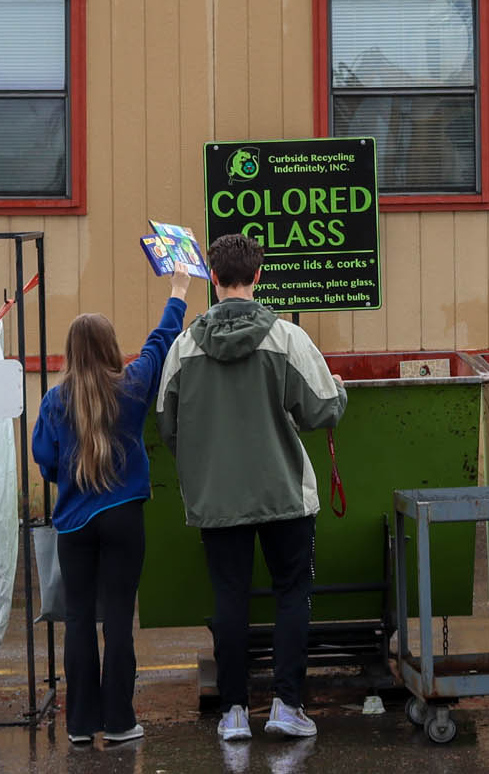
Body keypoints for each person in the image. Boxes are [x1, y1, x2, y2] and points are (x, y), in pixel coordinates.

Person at [155, 232, 347, 742]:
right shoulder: (286, 338)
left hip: (216, 497)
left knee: (229, 599)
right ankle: (287, 705)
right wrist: (338, 391)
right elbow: (324, 409)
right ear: (258, 276)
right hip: (284, 492)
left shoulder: (183, 347)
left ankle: (234, 713)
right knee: (292, 593)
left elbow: (167, 424)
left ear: (213, 278)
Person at [33, 268, 192, 747]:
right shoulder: (133, 385)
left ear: (71, 352)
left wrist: (68, 479)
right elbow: (160, 343)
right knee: (119, 618)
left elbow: (46, 461)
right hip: (123, 515)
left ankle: (81, 725)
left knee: (78, 619)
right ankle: (121, 721)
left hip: (73, 523)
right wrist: (178, 291)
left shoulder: (54, 401)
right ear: (109, 348)